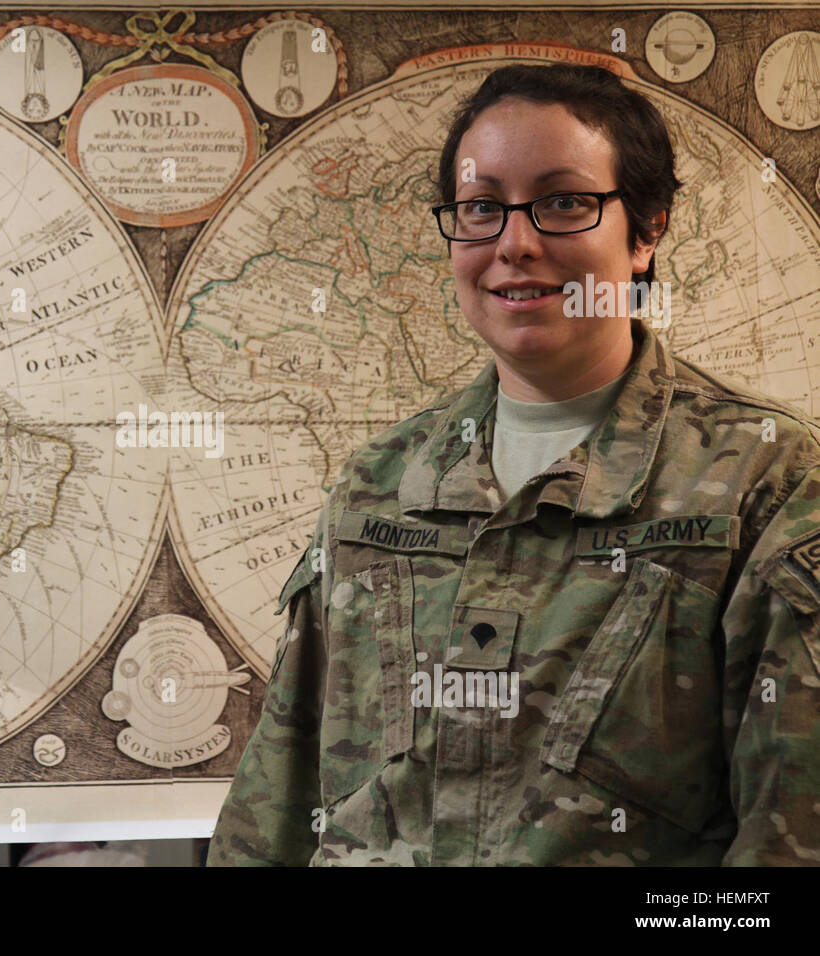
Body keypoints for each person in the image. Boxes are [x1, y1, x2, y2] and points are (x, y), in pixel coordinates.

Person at [206, 63, 820, 866]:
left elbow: (789, 845)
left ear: (646, 233)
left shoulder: (767, 481)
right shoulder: (379, 482)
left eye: (565, 202)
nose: (515, 244)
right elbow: (278, 804)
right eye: (482, 208)